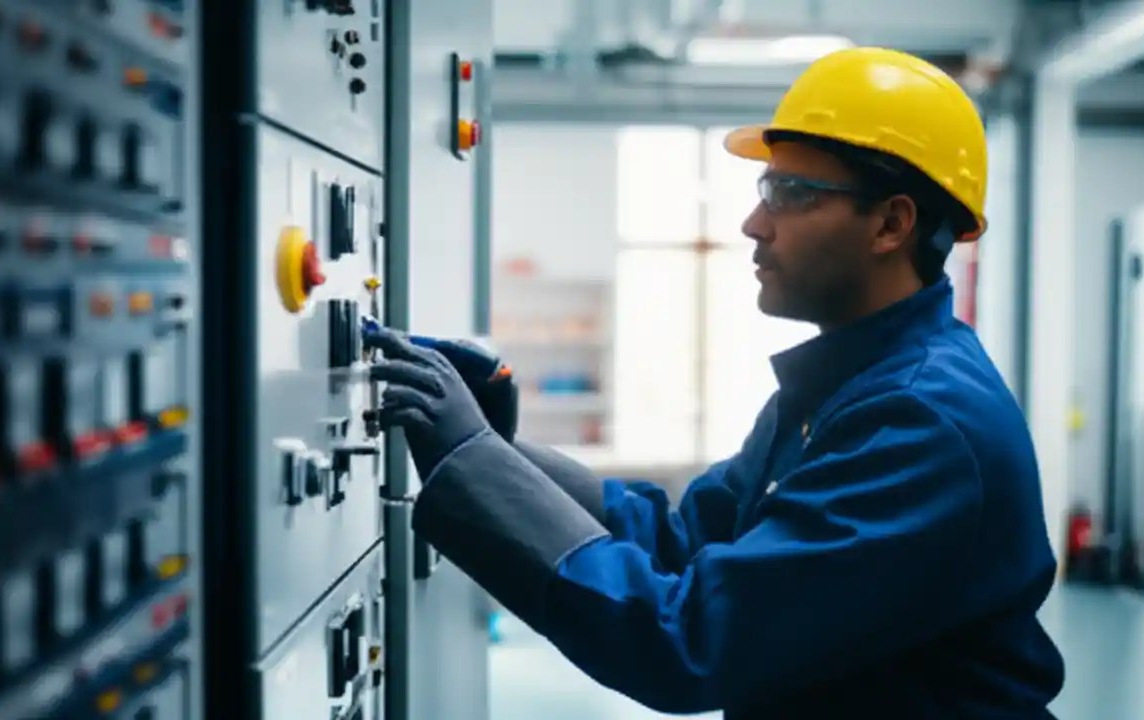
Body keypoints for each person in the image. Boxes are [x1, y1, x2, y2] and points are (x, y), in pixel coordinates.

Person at [364, 47, 1065, 718]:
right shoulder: (842, 384)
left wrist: (472, 464)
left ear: (891, 223)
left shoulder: (919, 421)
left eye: (792, 192)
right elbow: (683, 540)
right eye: (767, 189)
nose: (753, 223)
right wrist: (496, 454)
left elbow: (691, 641)